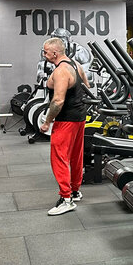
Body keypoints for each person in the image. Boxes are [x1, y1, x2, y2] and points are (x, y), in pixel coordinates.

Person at [40, 36, 91, 215]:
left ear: (55, 53)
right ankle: (75, 191)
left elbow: (58, 101)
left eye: (46, 52)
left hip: (66, 120)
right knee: (76, 156)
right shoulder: (75, 65)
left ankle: (66, 199)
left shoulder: (61, 71)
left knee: (59, 158)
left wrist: (47, 121)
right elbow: (87, 87)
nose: (44, 54)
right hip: (79, 117)